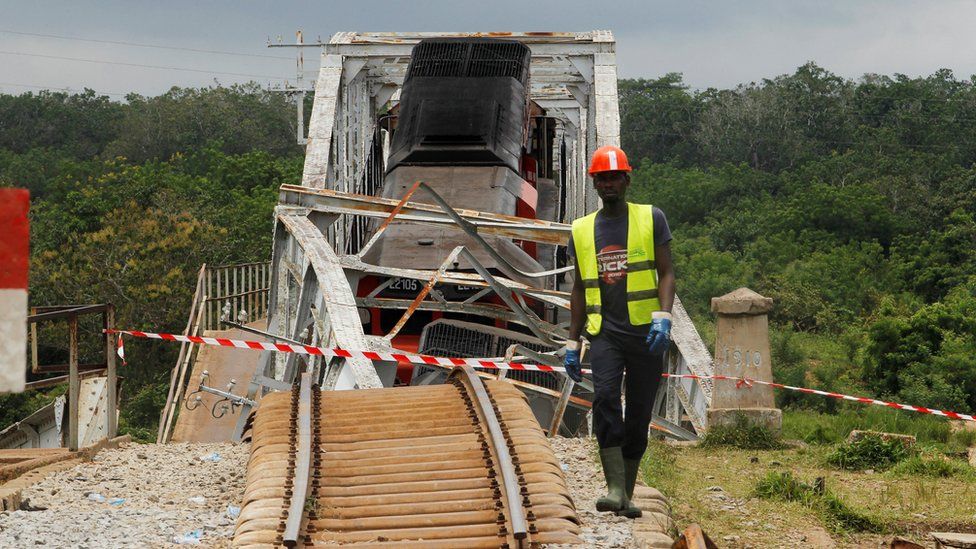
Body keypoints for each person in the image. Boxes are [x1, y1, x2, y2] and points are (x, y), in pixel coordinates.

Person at [563, 145, 675, 519]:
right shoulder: (581, 229)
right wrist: (571, 339)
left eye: (614, 176)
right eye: (601, 178)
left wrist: (664, 317)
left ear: (627, 179)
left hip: (646, 332)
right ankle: (612, 488)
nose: (608, 183)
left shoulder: (651, 217)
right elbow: (578, 287)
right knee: (606, 398)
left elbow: (667, 272)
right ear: (594, 183)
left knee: (640, 411)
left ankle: (626, 491)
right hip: (605, 333)